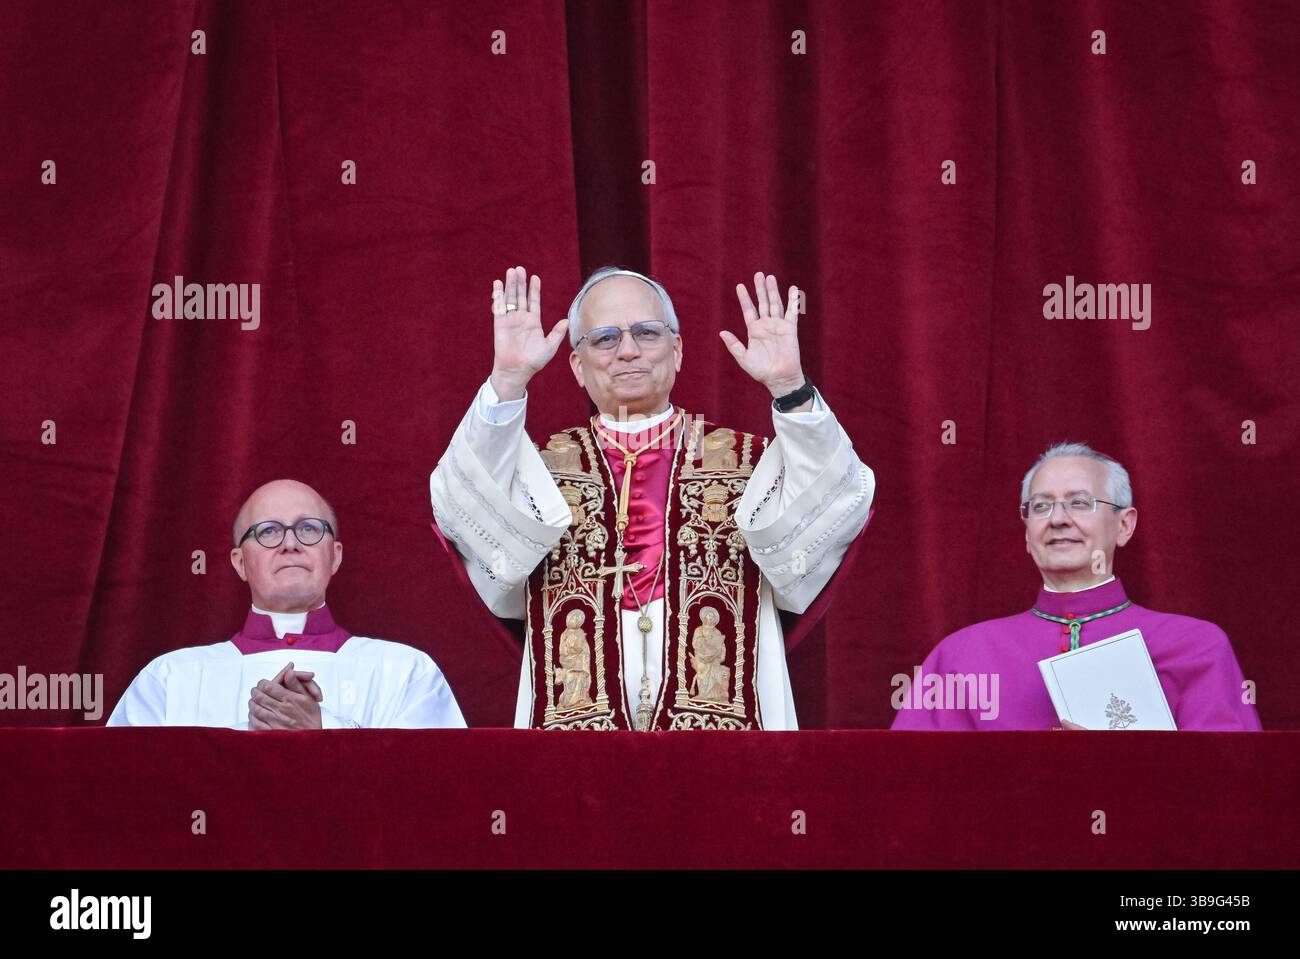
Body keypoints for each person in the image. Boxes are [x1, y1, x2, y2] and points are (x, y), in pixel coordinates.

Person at [430, 265, 875, 730]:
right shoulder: (536, 475)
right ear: (577, 368)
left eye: (647, 332)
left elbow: (840, 502)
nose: (627, 350)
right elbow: (460, 505)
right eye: (604, 338)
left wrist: (790, 388)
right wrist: (507, 381)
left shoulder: (751, 465)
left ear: (678, 351)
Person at [891, 443, 1260, 731]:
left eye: (1079, 503)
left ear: (1124, 525)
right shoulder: (960, 657)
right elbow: (912, 790)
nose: (1058, 520)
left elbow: (1232, 791)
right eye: (1040, 506)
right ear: (1027, 534)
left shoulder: (1197, 647)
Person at [107, 479, 465, 728]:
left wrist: (326, 728)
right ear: (239, 562)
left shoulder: (406, 671)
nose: (290, 544)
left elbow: (432, 787)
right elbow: (131, 793)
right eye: (268, 531)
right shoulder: (171, 678)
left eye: (309, 529)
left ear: (335, 556)